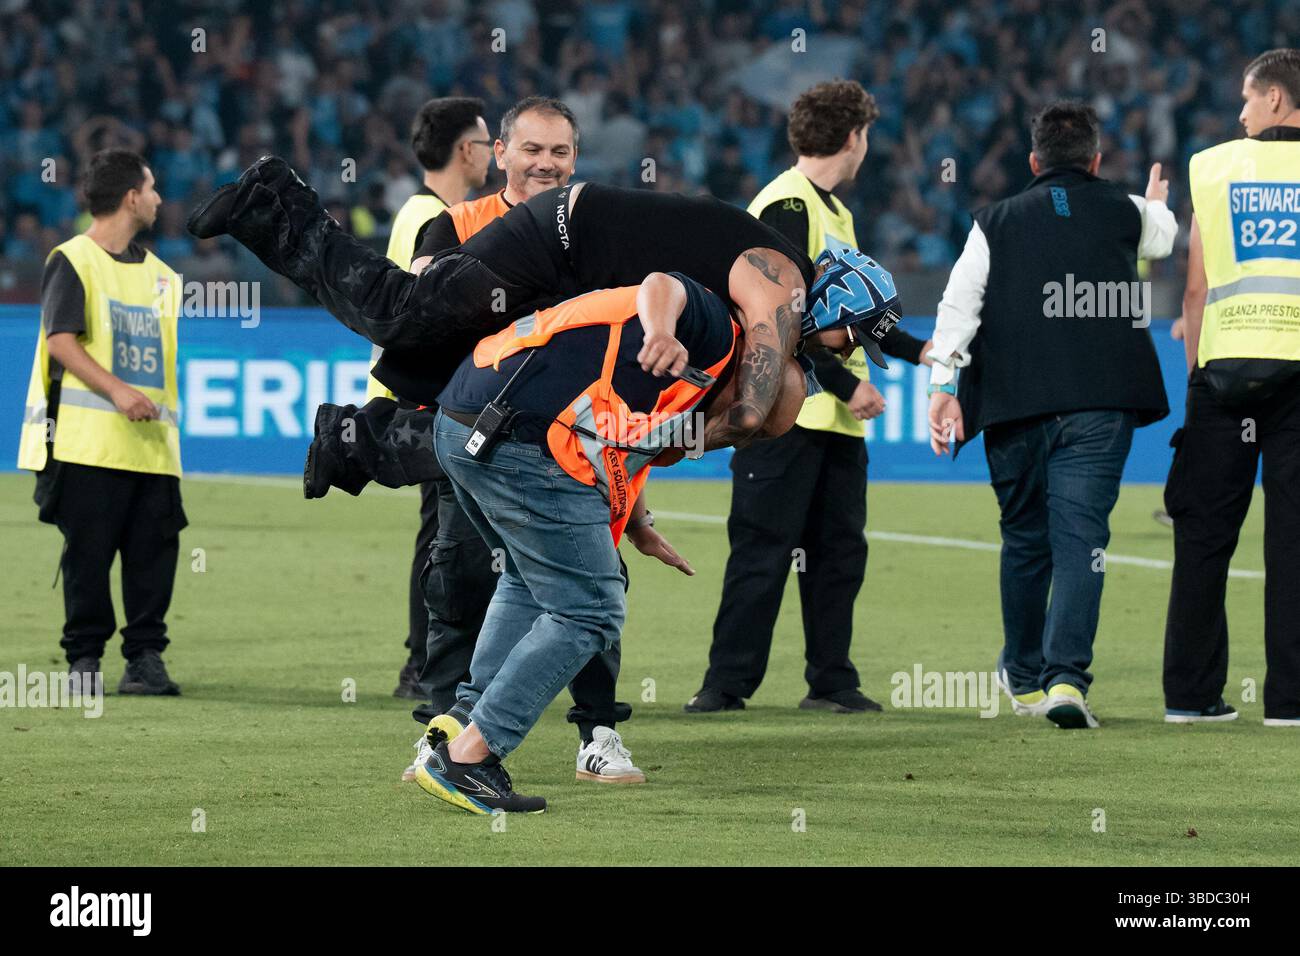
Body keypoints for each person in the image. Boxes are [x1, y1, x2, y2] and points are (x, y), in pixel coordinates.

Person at [414, 270, 830, 813]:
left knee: (527, 580)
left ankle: (456, 729)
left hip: (467, 422)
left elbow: (620, 445)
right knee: (589, 611)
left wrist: (636, 523)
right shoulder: (715, 332)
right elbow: (662, 284)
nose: (734, 435)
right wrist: (661, 331)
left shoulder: (683, 385)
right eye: (745, 427)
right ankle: (470, 760)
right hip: (523, 435)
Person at [187, 157, 905, 453]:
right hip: (560, 238)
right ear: (838, 303)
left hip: (574, 278)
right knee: (400, 313)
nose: (843, 353)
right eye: (852, 340)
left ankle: (353, 445)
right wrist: (652, 441)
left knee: (458, 383)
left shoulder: (776, 291)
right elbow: (750, 411)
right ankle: (274, 197)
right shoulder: (779, 279)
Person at [926, 101, 1175, 729]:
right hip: (1099, 403)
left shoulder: (994, 221)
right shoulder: (1126, 210)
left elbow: (960, 304)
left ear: (1034, 161)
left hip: (1013, 403)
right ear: (1095, 160)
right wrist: (1156, 201)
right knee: (1081, 544)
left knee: (1025, 542)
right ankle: (1068, 682)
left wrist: (942, 384)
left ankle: (1026, 676)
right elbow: (1166, 236)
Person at [686, 80, 932, 715]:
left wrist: (917, 351)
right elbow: (781, 319)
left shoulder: (831, 211)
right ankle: (725, 686)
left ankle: (832, 681)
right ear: (853, 138)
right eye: (866, 136)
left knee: (839, 552)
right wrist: (851, 385)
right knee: (764, 546)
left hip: (830, 424)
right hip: (782, 411)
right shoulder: (787, 205)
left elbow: (856, 315)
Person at [337, 96, 493, 699]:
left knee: (446, 531)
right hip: (424, 399)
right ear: (464, 150)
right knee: (442, 534)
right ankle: (421, 664)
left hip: (423, 394)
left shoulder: (418, 212)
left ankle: (434, 659)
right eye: (486, 144)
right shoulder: (434, 219)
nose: (491, 156)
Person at [1164, 48, 1300, 727]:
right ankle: (1290, 704)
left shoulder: (1212, 167)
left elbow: (1196, 285)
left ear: (1275, 99)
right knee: (1294, 540)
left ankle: (1189, 697)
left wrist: (1195, 379)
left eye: (1248, 99)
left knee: (1204, 536)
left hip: (1221, 371)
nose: (1240, 113)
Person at [16, 149, 185, 695]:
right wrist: (117, 391)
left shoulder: (163, 276)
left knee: (153, 561)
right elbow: (60, 340)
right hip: (87, 444)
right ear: (132, 197)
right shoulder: (73, 259)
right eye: (153, 187)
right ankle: (84, 661)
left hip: (152, 446)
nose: (160, 197)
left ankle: (145, 660)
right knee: (87, 558)